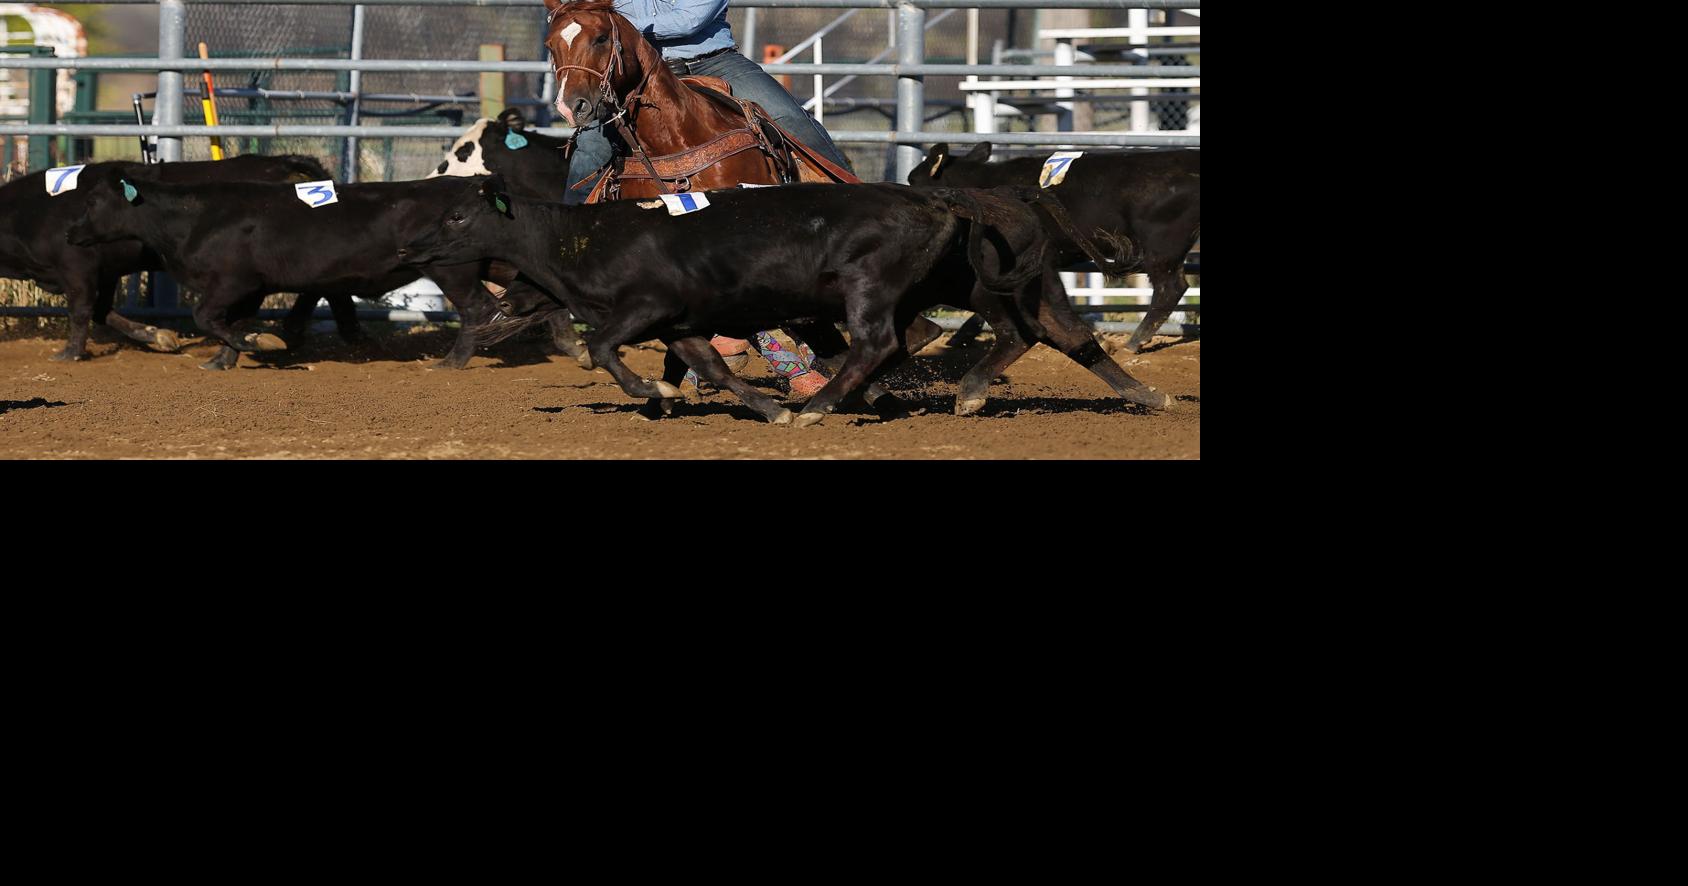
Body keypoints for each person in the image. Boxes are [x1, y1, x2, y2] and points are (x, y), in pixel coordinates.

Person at [554, 0, 855, 397]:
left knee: (794, 124)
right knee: (589, 149)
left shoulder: (617, 14)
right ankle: (567, 249)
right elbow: (569, 18)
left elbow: (692, 18)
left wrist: (613, 23)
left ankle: (853, 205)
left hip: (712, 61)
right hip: (628, 70)